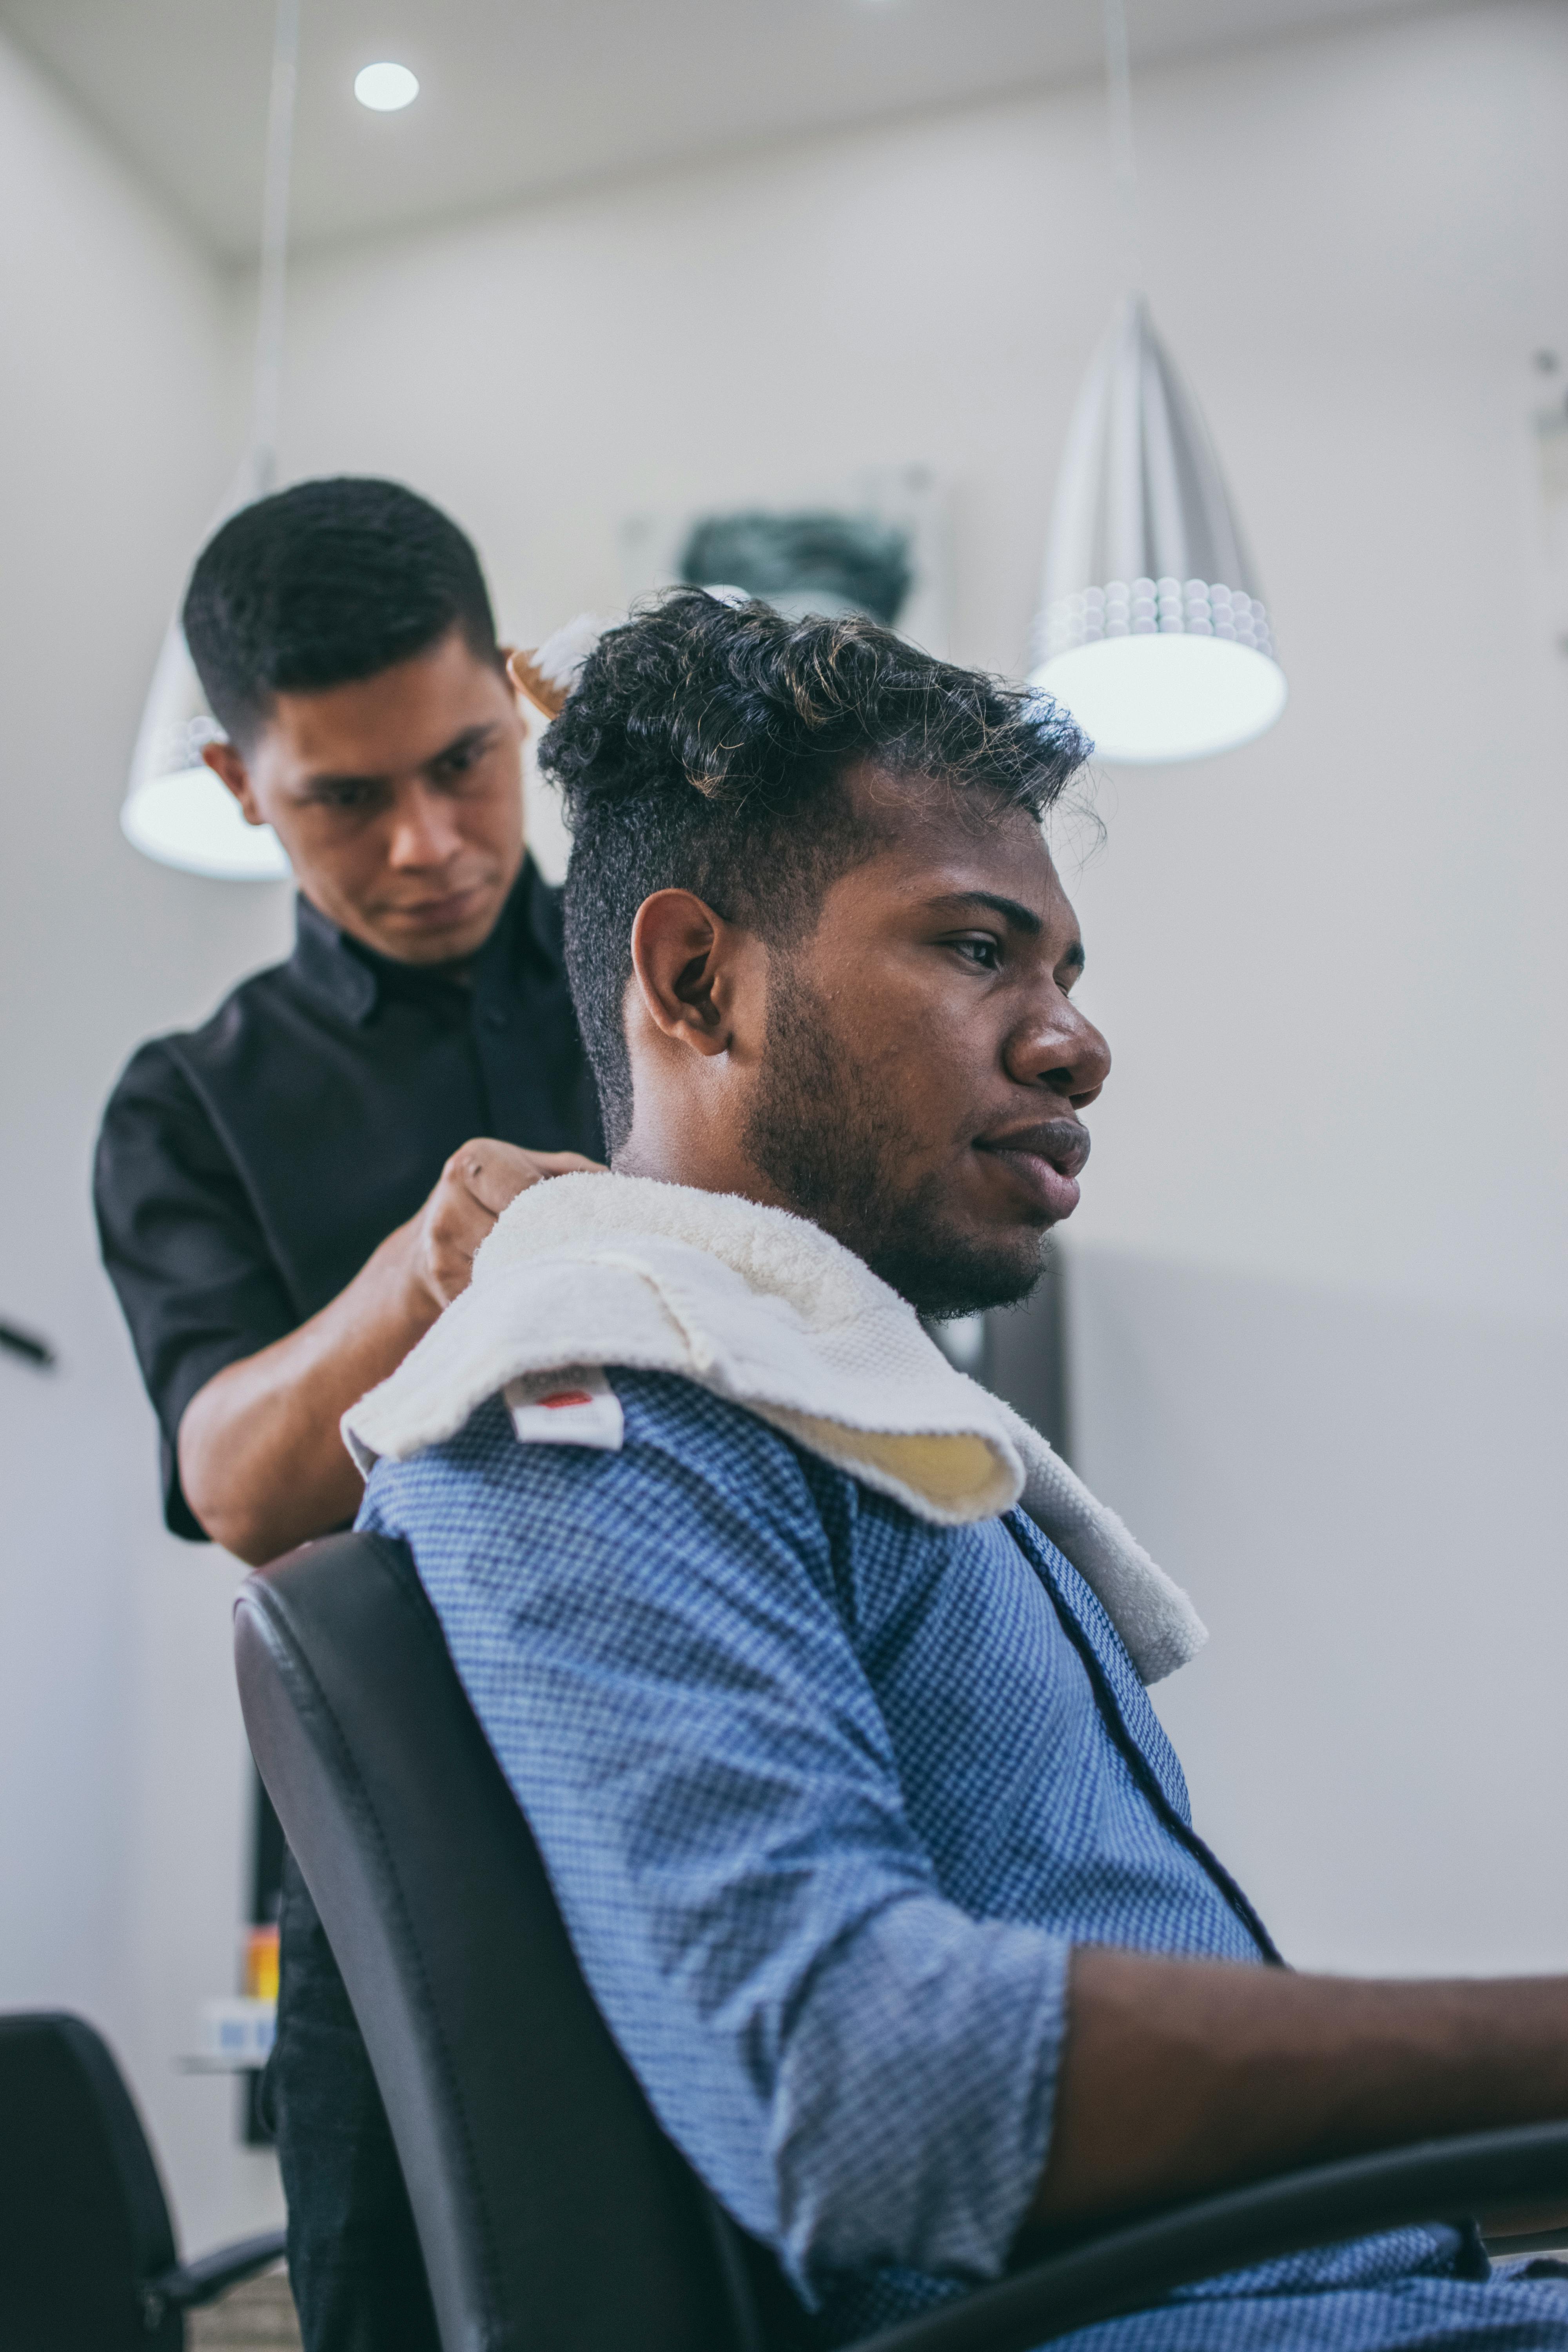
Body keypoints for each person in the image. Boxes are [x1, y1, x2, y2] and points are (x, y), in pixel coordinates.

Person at [348, 589, 1568, 2351]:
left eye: (1063, 972)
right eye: (978, 949)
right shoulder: (606, 1400)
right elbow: (858, 2091)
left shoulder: (847, 1428)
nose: (1075, 1042)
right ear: (696, 981)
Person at [95, 477, 602, 2352]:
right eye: (343, 799)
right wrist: (418, 1269)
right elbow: (234, 1481)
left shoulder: (685, 984)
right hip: (393, 1846)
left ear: (517, 697)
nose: (427, 845)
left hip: (741, 1762)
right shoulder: (186, 1107)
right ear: (242, 784)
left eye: (464, 764)